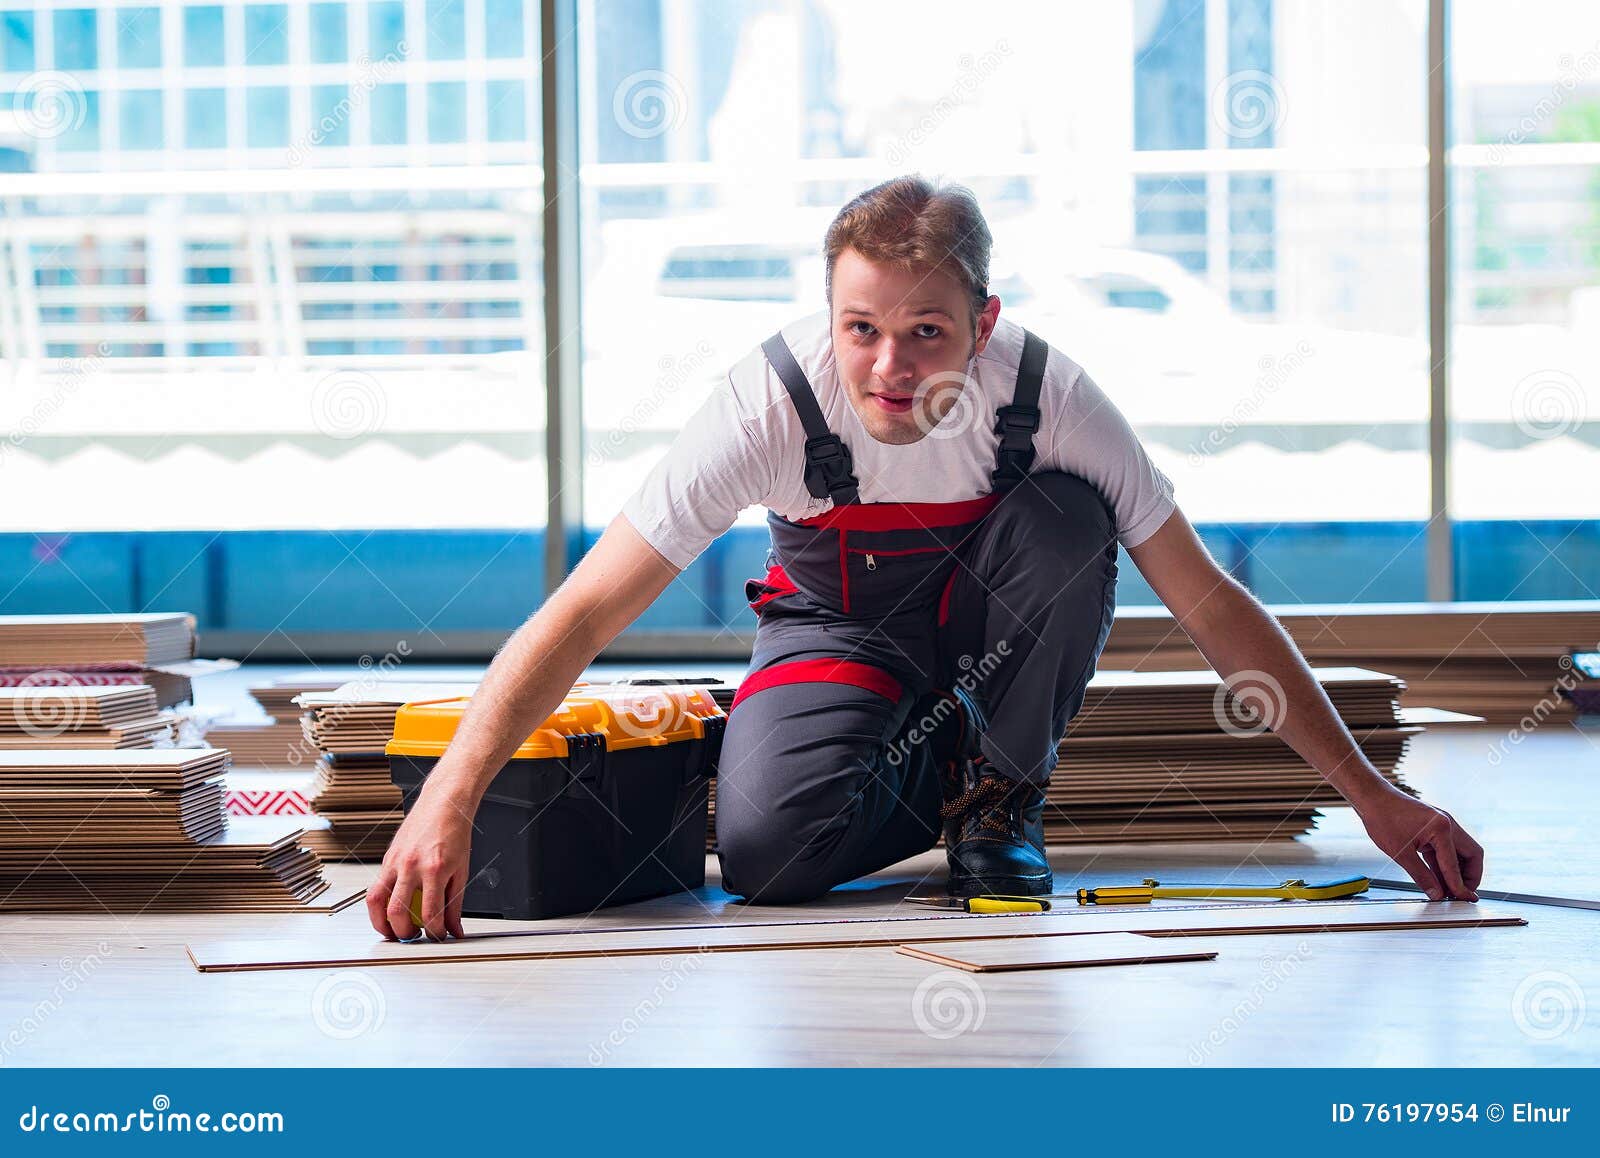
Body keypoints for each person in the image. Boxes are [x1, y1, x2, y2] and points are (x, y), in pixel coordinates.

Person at [367, 175, 1484, 940]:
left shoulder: (1051, 397)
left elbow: (1207, 602)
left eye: (925, 332)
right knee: (764, 861)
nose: (889, 368)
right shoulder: (765, 405)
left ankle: (1002, 794)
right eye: (861, 328)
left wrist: (1375, 798)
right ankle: (931, 764)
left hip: (994, 637)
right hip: (838, 634)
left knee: (1066, 520)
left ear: (983, 321)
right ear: (830, 313)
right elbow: (585, 610)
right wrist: (452, 798)